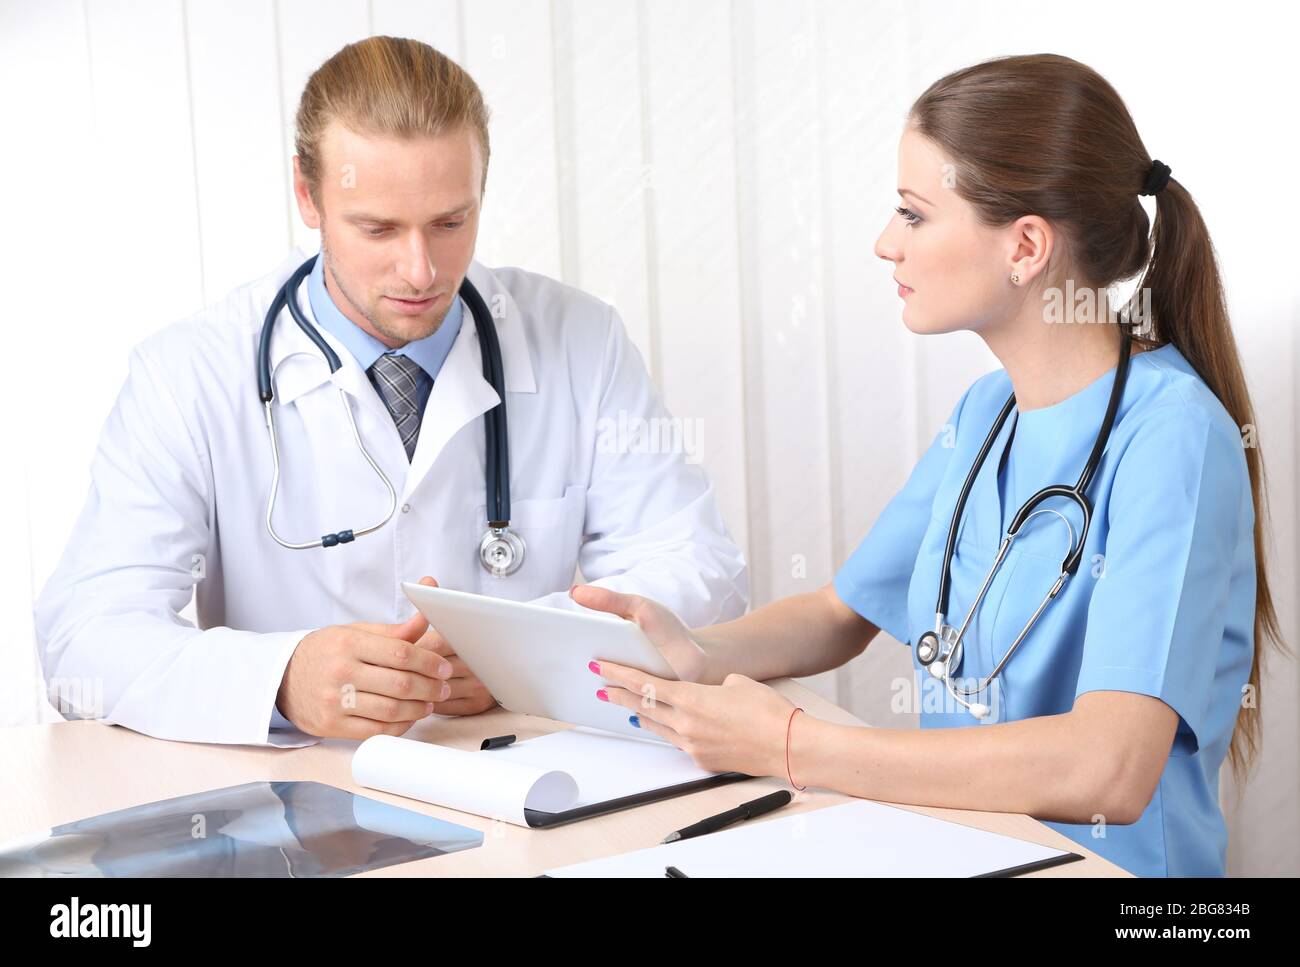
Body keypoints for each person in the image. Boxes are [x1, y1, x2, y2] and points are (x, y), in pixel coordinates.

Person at [577, 53, 1282, 877]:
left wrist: (799, 746)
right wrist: (692, 649)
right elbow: (841, 612)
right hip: (964, 854)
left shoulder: (1172, 437)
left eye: (914, 215)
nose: (885, 243)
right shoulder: (986, 414)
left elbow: (1109, 768)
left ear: (1025, 247)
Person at [34, 36, 746, 749]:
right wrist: (280, 675)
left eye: (450, 222)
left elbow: (698, 570)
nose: (420, 269)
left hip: (526, 778)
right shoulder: (188, 373)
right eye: (377, 228)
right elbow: (85, 635)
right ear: (308, 195)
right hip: (295, 806)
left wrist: (524, 650)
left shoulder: (580, 340)